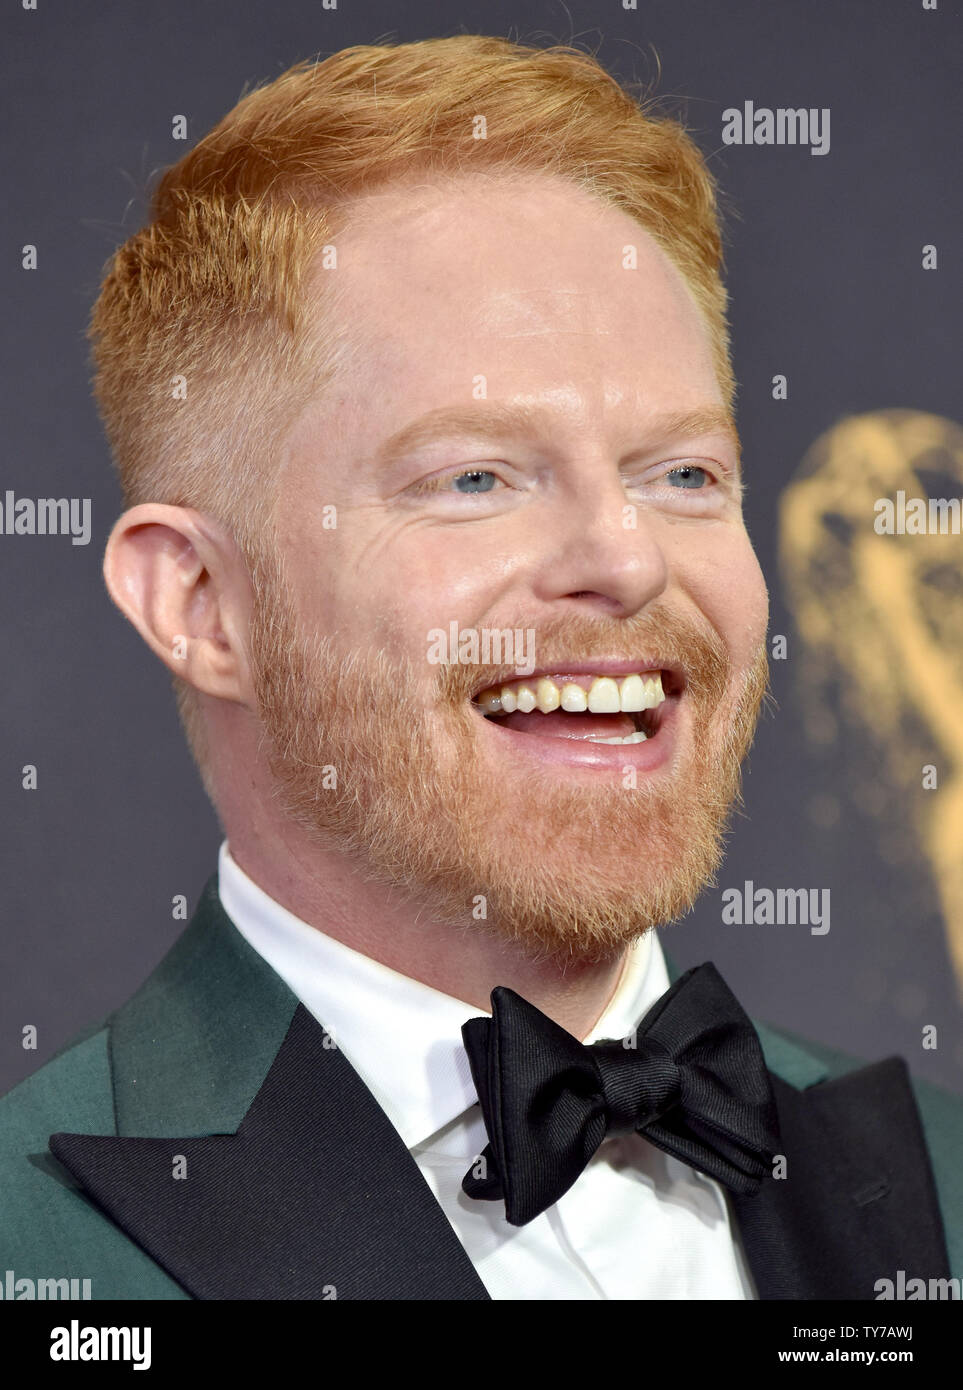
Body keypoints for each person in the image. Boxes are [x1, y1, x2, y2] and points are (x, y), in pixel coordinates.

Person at [1, 34, 959, 1302]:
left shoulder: (939, 1174)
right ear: (202, 605)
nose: (625, 561)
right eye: (475, 478)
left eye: (683, 473)